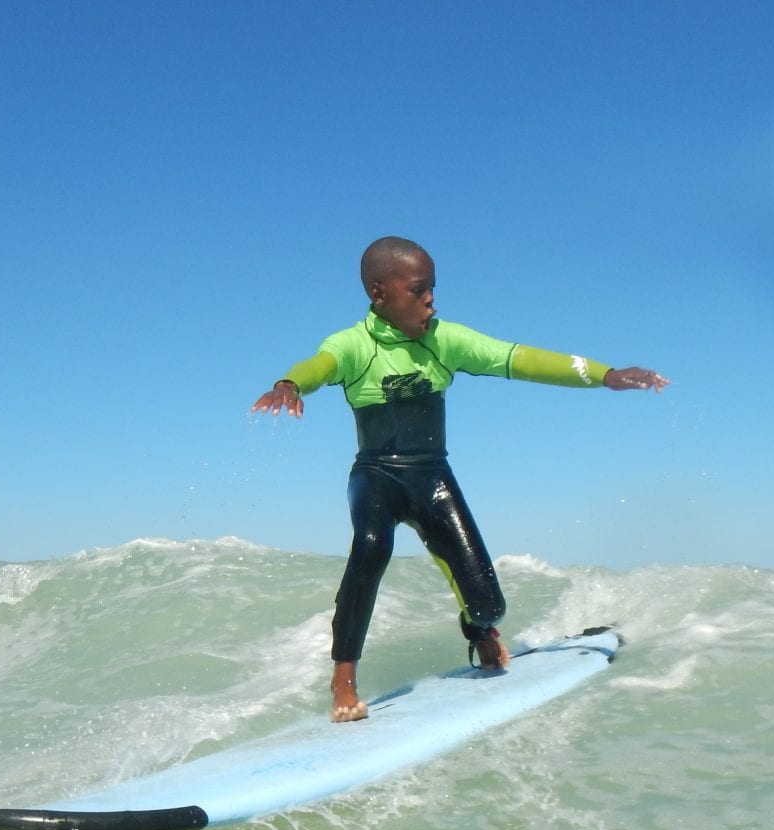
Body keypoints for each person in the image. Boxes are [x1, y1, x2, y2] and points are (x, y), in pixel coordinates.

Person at [251, 236, 668, 722]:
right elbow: (318, 366)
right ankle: (343, 679)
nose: (431, 300)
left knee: (489, 607)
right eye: (419, 289)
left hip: (432, 478)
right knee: (371, 545)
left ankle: (479, 632)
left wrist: (606, 374)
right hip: (378, 474)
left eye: (433, 289)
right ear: (380, 294)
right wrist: (289, 384)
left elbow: (521, 359)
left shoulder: (445, 340)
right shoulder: (351, 345)